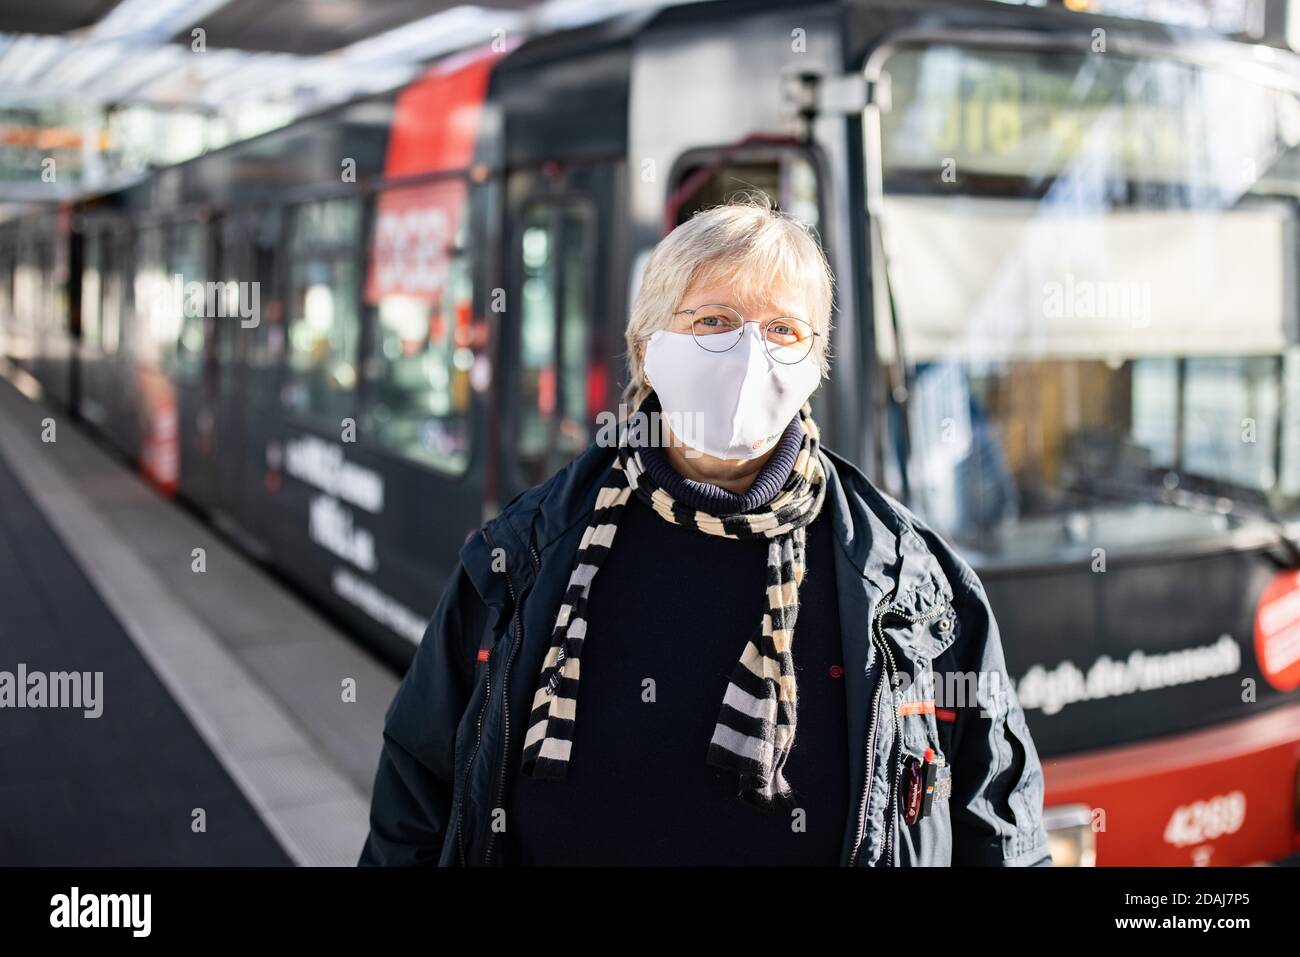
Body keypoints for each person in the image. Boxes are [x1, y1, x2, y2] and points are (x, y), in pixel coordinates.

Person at [358, 195, 1052, 866]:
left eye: (783, 329)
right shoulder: (523, 556)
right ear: (645, 348)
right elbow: (417, 795)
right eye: (715, 321)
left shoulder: (917, 588)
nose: (750, 355)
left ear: (816, 365)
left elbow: (1000, 822)